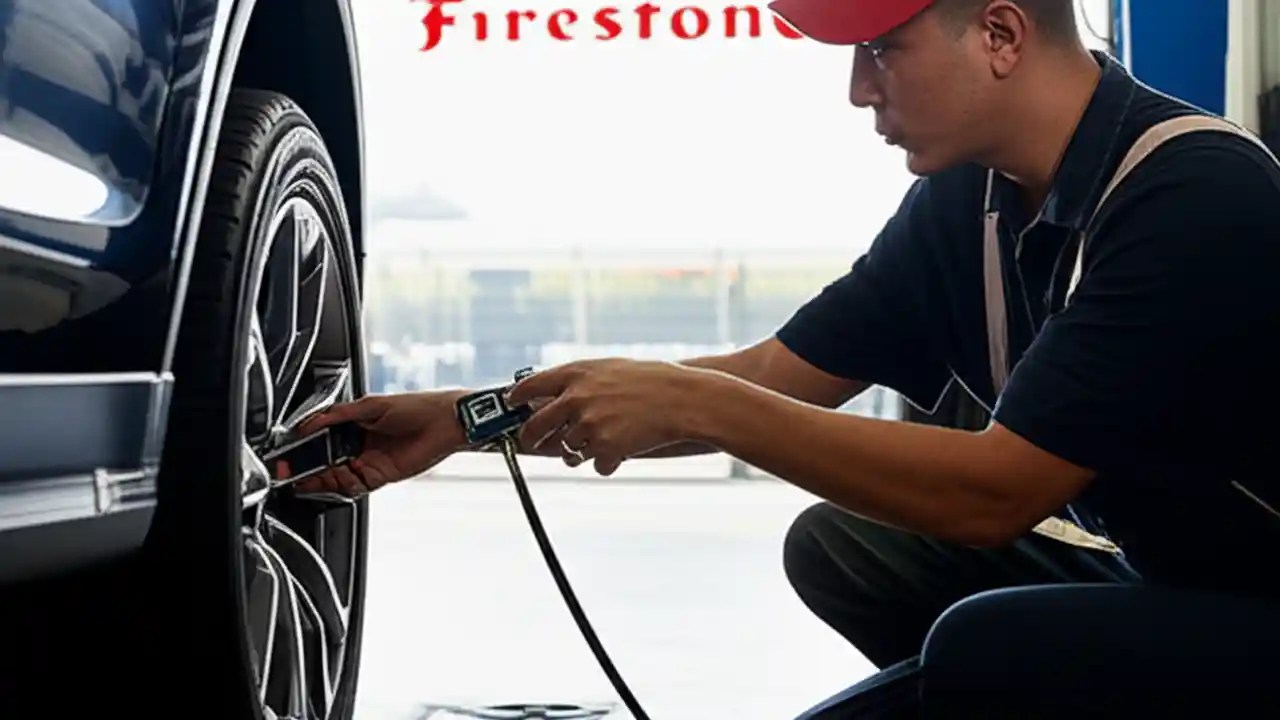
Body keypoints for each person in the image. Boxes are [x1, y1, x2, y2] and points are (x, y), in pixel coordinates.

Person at [298, 0, 1280, 710]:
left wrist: (700, 408)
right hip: (1180, 586)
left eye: (881, 52)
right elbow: (773, 375)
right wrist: (461, 420)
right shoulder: (968, 206)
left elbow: (995, 493)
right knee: (843, 547)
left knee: (986, 643)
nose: (857, 91)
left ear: (999, 33)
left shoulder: (1189, 194)